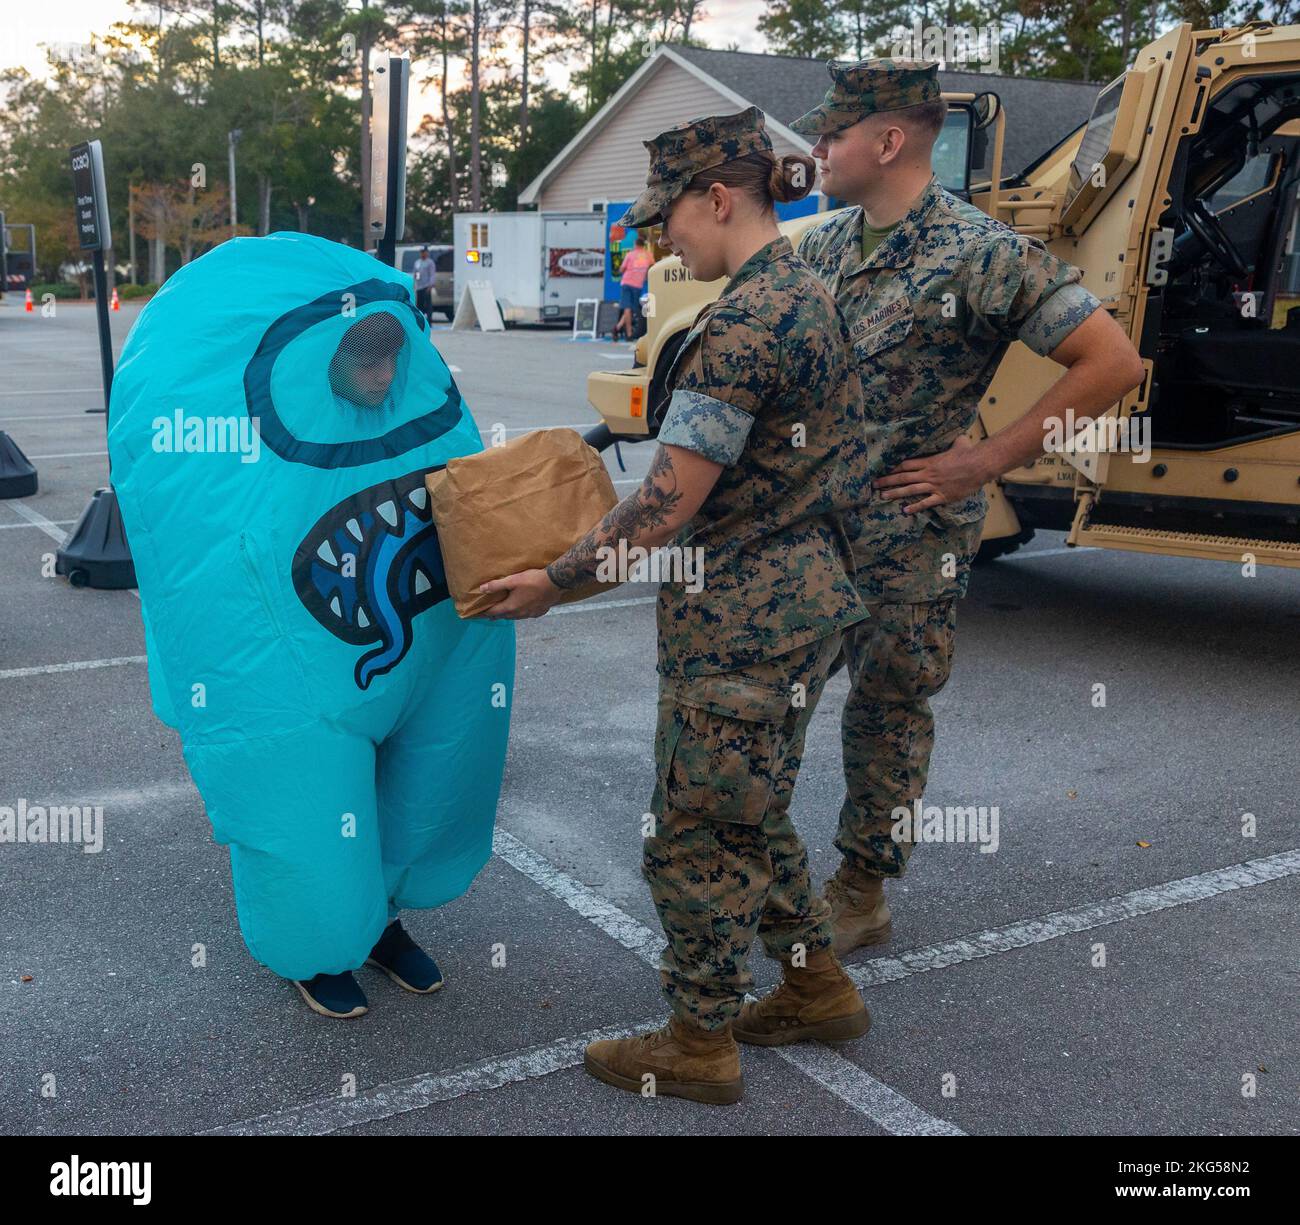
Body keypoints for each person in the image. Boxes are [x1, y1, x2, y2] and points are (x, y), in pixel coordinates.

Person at [479, 107, 873, 1104]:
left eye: (670, 222)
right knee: (752, 809)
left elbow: (663, 505)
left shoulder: (742, 326)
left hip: (743, 620)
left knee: (694, 831)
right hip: (807, 599)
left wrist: (552, 584)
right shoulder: (809, 292)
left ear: (718, 197)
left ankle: (699, 1041)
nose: (663, 242)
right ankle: (816, 983)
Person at [764, 59, 1145, 955]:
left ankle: (860, 887)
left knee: (888, 709)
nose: (816, 148)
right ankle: (762, 878)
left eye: (832, 134)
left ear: (888, 140)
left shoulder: (984, 253)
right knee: (770, 705)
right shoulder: (817, 245)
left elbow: (1114, 364)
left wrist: (986, 459)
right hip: (807, 532)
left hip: (908, 539)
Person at [106, 234, 514, 1020]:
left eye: (396, 356)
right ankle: (319, 942)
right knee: (302, 805)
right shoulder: (241, 441)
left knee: (422, 784)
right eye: (367, 361)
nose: (387, 376)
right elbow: (211, 528)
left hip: (413, 651)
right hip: (296, 667)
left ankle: (383, 920)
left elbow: (468, 491)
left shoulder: (412, 409)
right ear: (328, 358)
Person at [615, 233, 653, 340]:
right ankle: (625, 331)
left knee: (627, 308)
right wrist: (645, 276)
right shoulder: (648, 255)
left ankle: (626, 332)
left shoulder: (630, 254)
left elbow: (622, 269)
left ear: (636, 244)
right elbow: (653, 266)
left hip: (626, 282)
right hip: (638, 284)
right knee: (632, 308)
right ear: (643, 245)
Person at [412, 245, 437, 322]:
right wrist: (416, 277)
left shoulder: (430, 262)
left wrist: (430, 285)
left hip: (426, 286)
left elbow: (432, 274)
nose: (423, 254)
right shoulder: (417, 262)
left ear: (427, 252)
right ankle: (420, 320)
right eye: (421, 252)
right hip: (419, 286)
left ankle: (429, 320)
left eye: (424, 252)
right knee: (419, 305)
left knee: (428, 304)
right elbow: (416, 272)